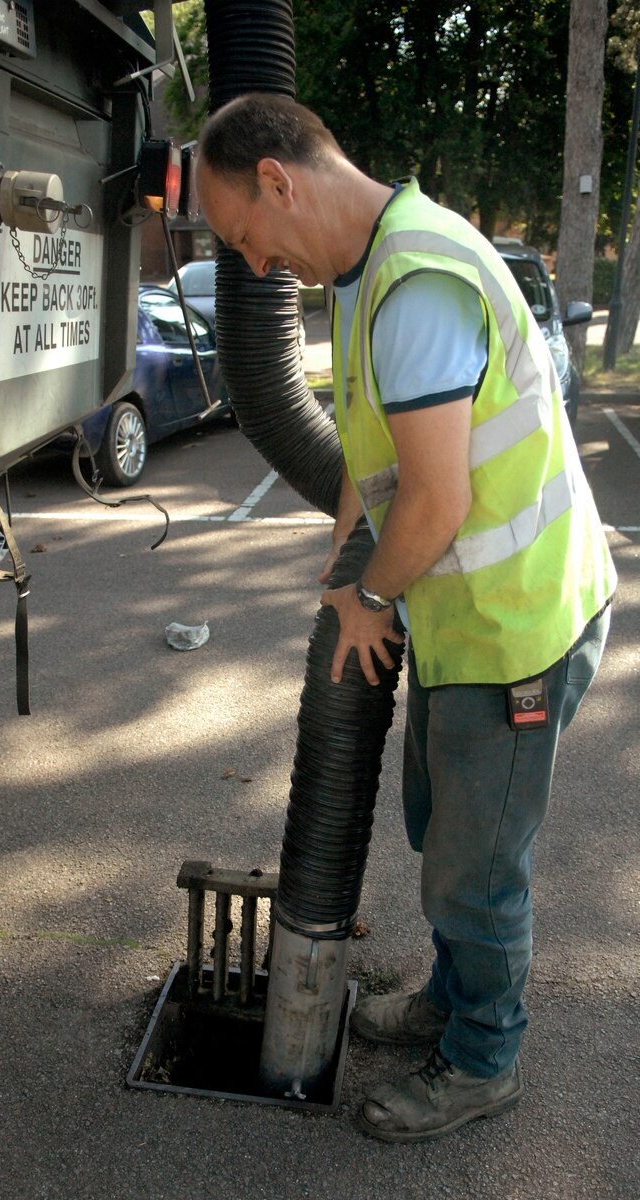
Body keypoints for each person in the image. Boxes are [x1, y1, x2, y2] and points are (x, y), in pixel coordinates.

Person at [195, 94, 617, 1143]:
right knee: (445, 837)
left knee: (477, 873)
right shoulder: (370, 269)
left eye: (247, 238)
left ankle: (482, 1062)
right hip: (468, 620)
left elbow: (435, 504)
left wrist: (370, 595)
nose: (254, 267)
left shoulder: (414, 283)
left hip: (518, 627)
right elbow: (374, 468)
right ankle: (449, 996)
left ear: (280, 183)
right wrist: (345, 572)